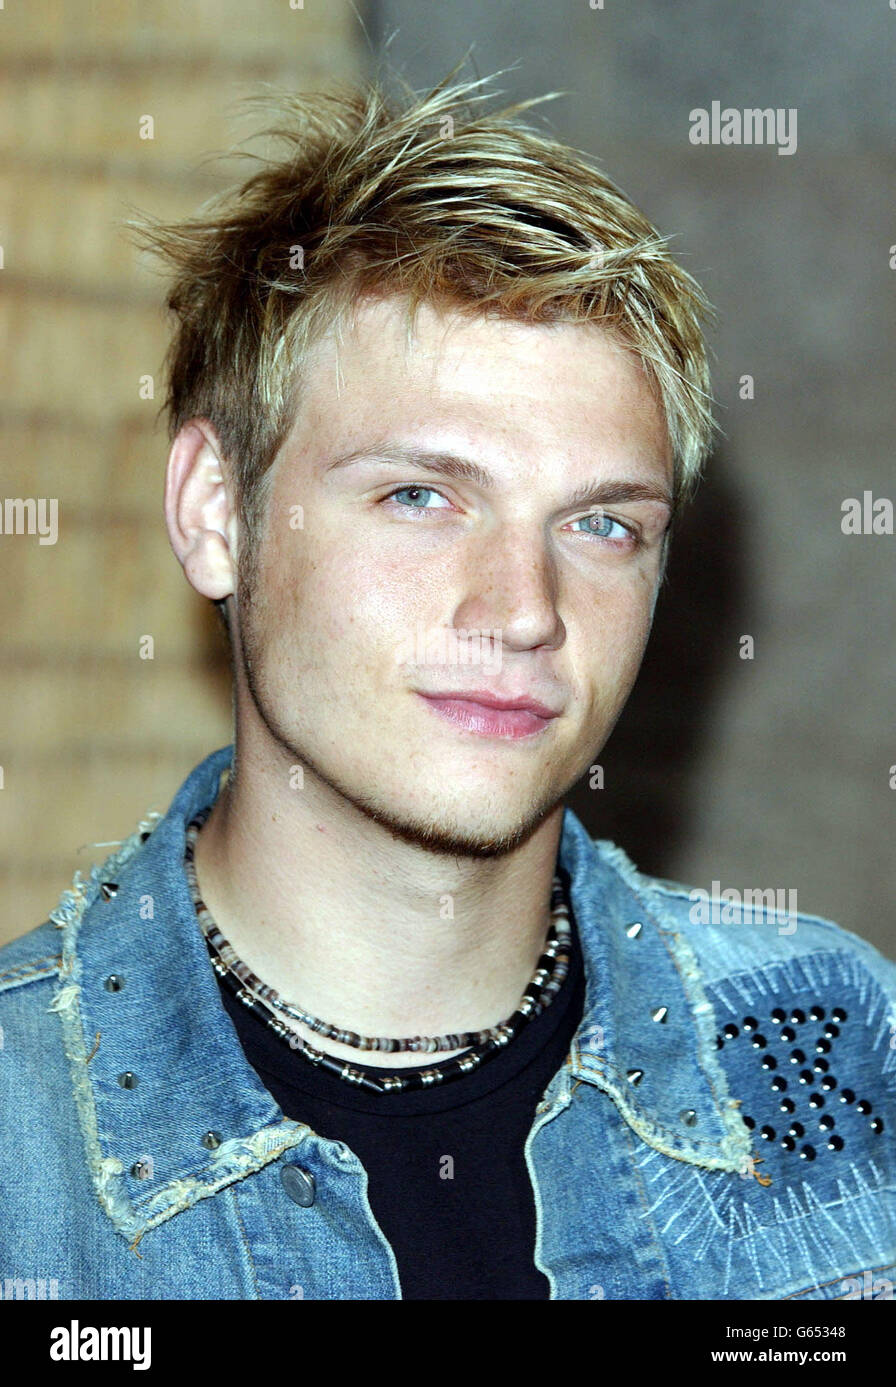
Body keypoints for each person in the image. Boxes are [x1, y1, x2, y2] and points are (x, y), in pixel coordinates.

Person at [1, 65, 894, 1302]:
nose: (524, 610)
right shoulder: (19, 1138)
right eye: (420, 497)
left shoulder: (836, 1045)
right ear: (217, 512)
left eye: (601, 526)